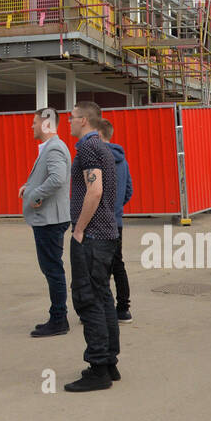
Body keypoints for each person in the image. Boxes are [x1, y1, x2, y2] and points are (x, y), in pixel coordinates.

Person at [64, 102, 120, 392]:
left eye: (71, 118)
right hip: (106, 234)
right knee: (102, 297)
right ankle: (109, 362)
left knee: (88, 299)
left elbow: (94, 190)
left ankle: (98, 368)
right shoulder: (102, 147)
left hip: (93, 237)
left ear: (84, 120)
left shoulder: (88, 148)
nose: (68, 123)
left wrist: (79, 229)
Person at [19, 107, 72, 337]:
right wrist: (29, 188)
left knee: (53, 270)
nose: (31, 126)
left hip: (50, 220)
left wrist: (36, 194)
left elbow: (58, 179)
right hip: (49, 218)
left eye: (34, 122)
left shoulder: (54, 148)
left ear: (45, 124)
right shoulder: (51, 147)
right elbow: (51, 177)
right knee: (51, 268)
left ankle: (59, 319)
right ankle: (57, 315)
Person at [96, 118, 133, 321]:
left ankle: (103, 309)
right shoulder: (122, 159)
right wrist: (117, 207)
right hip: (116, 220)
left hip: (99, 222)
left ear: (99, 135)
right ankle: (124, 309)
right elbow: (129, 189)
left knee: (99, 266)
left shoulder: (98, 159)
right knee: (118, 264)